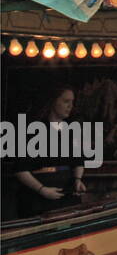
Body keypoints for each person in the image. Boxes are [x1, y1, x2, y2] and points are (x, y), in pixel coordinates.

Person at [13, 86, 87, 218]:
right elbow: (20, 169)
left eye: (72, 102)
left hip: (66, 196)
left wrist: (77, 179)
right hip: (37, 199)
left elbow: (78, 160)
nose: (70, 106)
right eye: (66, 101)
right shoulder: (32, 130)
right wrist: (42, 190)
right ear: (53, 101)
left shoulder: (71, 130)